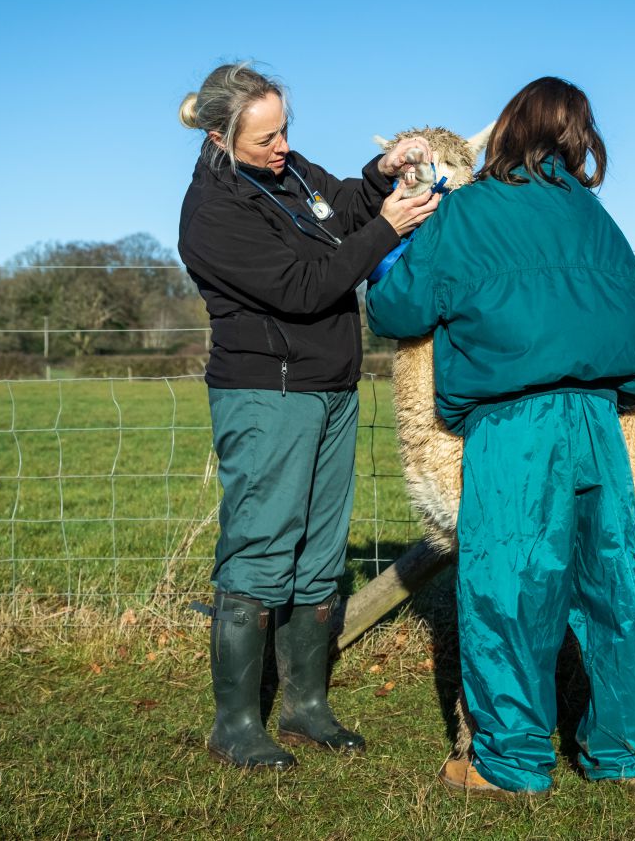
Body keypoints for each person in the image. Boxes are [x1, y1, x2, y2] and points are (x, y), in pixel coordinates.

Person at [365, 77, 635, 796]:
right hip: (596, 420)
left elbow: (399, 308)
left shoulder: (471, 214)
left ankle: (513, 760)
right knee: (607, 585)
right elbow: (628, 312)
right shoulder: (595, 219)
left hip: (513, 423)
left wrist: (393, 249)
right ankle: (618, 750)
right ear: (577, 138)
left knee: (508, 586)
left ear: (508, 132)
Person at [177, 62, 441, 770]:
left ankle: (305, 705)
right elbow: (305, 287)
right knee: (262, 548)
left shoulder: (292, 172)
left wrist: (382, 175)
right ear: (218, 136)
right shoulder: (213, 213)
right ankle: (234, 722)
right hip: (269, 394)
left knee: (321, 552)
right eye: (265, 137)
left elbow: (345, 207)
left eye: (285, 127)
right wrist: (388, 229)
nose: (282, 145)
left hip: (331, 388)